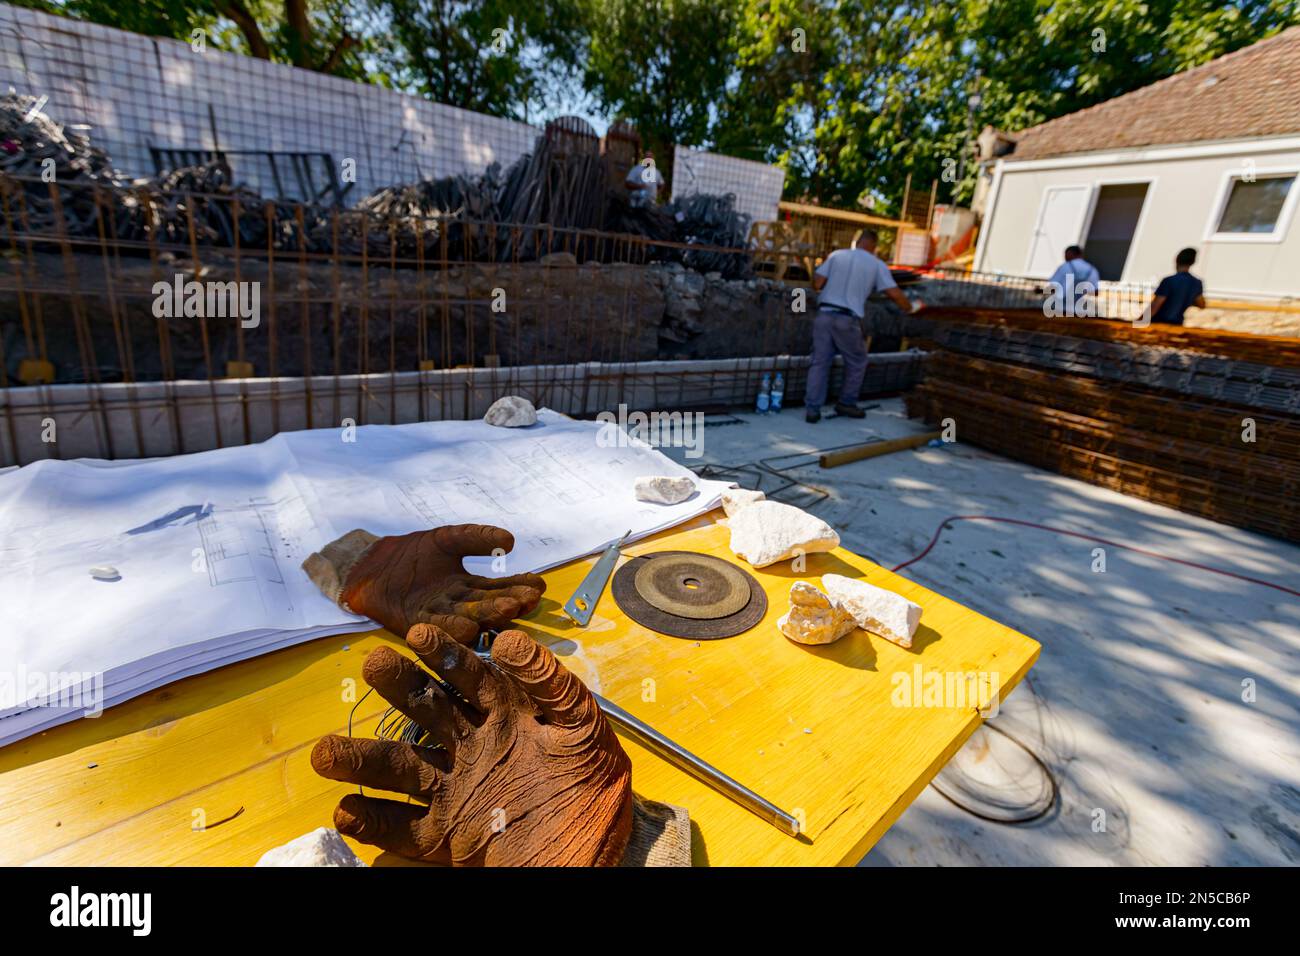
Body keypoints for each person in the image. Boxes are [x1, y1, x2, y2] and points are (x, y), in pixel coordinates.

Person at [806, 229, 922, 423]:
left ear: (857, 241)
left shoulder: (837, 255)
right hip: (847, 319)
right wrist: (911, 307)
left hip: (824, 315)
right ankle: (846, 402)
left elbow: (817, 283)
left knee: (819, 361)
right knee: (857, 360)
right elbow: (894, 293)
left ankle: (812, 409)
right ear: (874, 246)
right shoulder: (877, 265)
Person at [1146, 247, 1206, 326]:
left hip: (1159, 322)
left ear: (1176, 259)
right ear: (1193, 262)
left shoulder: (1168, 281)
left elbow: (1155, 306)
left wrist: (1140, 321)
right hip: (1177, 324)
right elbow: (1201, 305)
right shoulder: (1197, 283)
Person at [1044, 245, 1100, 316]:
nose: (1064, 258)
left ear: (1070, 254)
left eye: (1065, 255)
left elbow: (1052, 288)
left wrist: (1041, 291)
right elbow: (1095, 292)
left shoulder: (1065, 267)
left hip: (1059, 309)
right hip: (1078, 311)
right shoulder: (1092, 270)